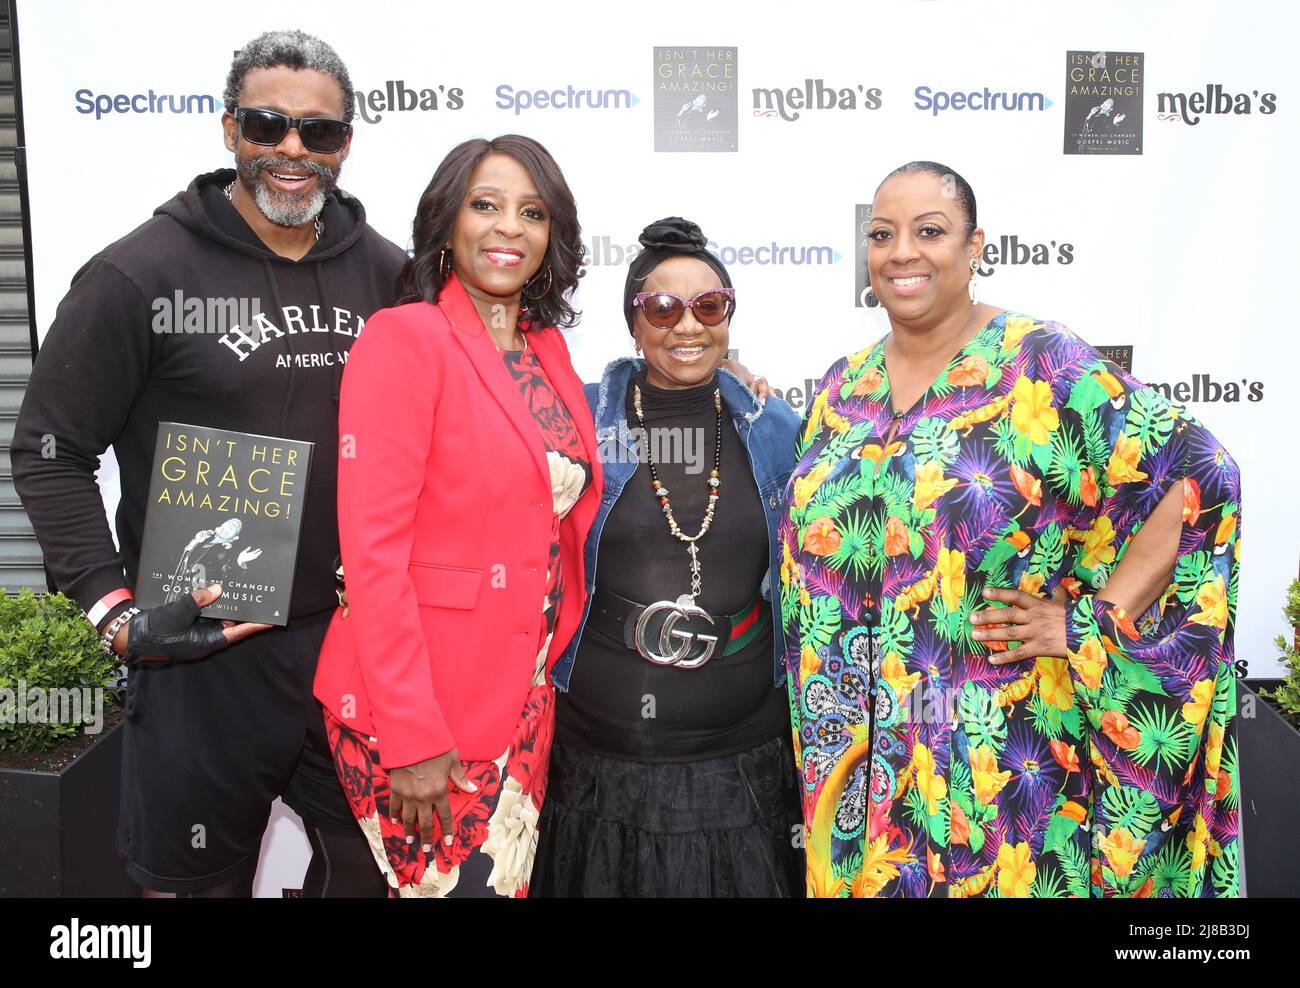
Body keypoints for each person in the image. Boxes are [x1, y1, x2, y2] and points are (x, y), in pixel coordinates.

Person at [12, 30, 406, 897]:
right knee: (194, 885)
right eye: (268, 125)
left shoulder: (388, 277)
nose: (293, 150)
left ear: (347, 144)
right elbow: (51, 452)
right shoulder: (138, 274)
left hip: (352, 646)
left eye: (319, 131)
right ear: (230, 129)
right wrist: (114, 613)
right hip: (203, 654)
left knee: (375, 875)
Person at [781, 161, 1241, 898]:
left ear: (974, 248)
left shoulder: (1041, 361)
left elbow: (1199, 477)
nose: (902, 251)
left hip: (995, 764)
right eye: (882, 234)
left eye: (929, 231)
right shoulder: (844, 386)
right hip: (854, 778)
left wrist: (1094, 620)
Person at [313, 135, 603, 897]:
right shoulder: (406, 339)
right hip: (422, 717)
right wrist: (412, 739)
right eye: (486, 206)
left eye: (531, 212)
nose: (509, 227)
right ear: (446, 224)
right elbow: (371, 555)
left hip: (523, 708)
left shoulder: (547, 352)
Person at [529, 217, 805, 897]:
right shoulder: (576, 422)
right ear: (633, 322)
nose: (688, 325)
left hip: (743, 768)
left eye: (709, 307)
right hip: (598, 763)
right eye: (663, 308)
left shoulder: (777, 429)